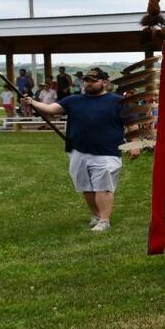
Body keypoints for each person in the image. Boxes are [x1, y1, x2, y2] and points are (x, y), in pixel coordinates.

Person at [20, 68, 133, 232]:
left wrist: (134, 145)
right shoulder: (73, 100)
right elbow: (51, 109)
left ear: (104, 82)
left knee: (103, 187)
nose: (89, 83)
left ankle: (104, 220)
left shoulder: (118, 101)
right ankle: (96, 215)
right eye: (86, 80)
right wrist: (32, 102)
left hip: (107, 151)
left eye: (93, 80)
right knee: (85, 186)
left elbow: (131, 123)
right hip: (78, 151)